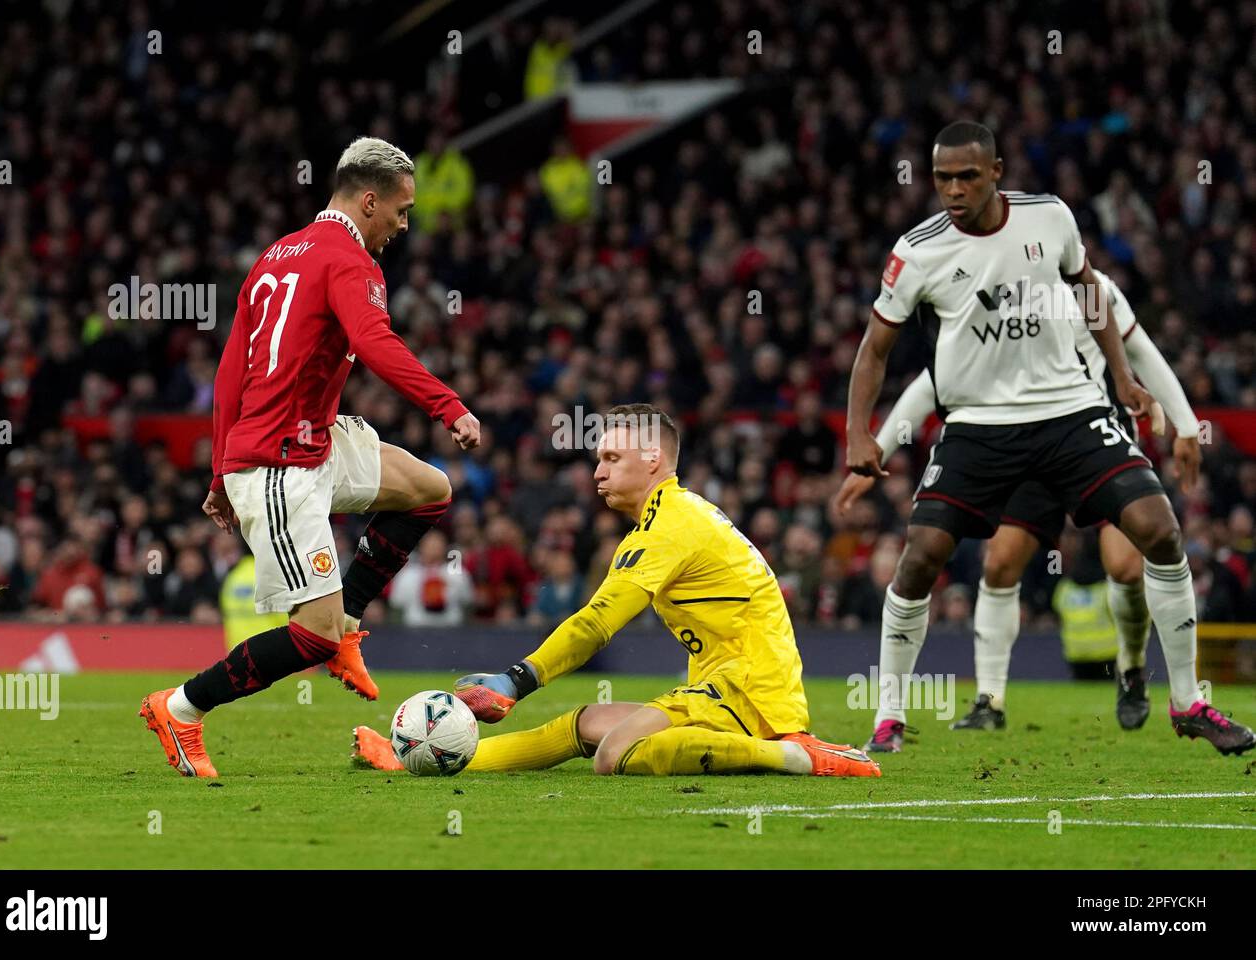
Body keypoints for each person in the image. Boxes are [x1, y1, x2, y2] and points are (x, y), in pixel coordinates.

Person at [844, 121, 1252, 756]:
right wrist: (861, 435)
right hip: (979, 426)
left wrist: (1123, 377)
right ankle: (891, 716)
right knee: (922, 554)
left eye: (967, 177)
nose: (953, 190)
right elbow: (876, 352)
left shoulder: (1049, 219)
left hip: (1070, 413)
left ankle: (1187, 701)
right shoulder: (917, 252)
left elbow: (1092, 290)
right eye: (942, 178)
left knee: (1160, 530)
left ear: (997, 172)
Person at [140, 137, 483, 778]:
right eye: (401, 212)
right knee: (312, 635)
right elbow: (375, 342)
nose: (404, 226)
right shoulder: (351, 262)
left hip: (313, 439)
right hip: (279, 462)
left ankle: (347, 621)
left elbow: (229, 372)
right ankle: (181, 707)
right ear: (369, 200)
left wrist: (217, 467)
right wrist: (448, 406)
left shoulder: (275, 256)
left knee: (430, 489)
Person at [353, 403, 880, 778]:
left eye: (611, 459)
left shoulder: (672, 524)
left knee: (613, 753)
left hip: (749, 688)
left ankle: (799, 757)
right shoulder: (664, 519)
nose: (598, 470)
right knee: (585, 724)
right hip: (728, 684)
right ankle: (412, 759)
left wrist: (515, 682)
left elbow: (596, 624)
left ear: (652, 459)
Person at [835, 268, 1203, 733]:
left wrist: (1186, 424)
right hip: (1024, 445)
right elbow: (936, 382)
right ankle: (990, 700)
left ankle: (1130, 666)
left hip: (1090, 439)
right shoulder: (995, 294)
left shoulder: (1094, 290)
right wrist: (880, 449)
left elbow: (1139, 349)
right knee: (1001, 563)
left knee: (1127, 566)